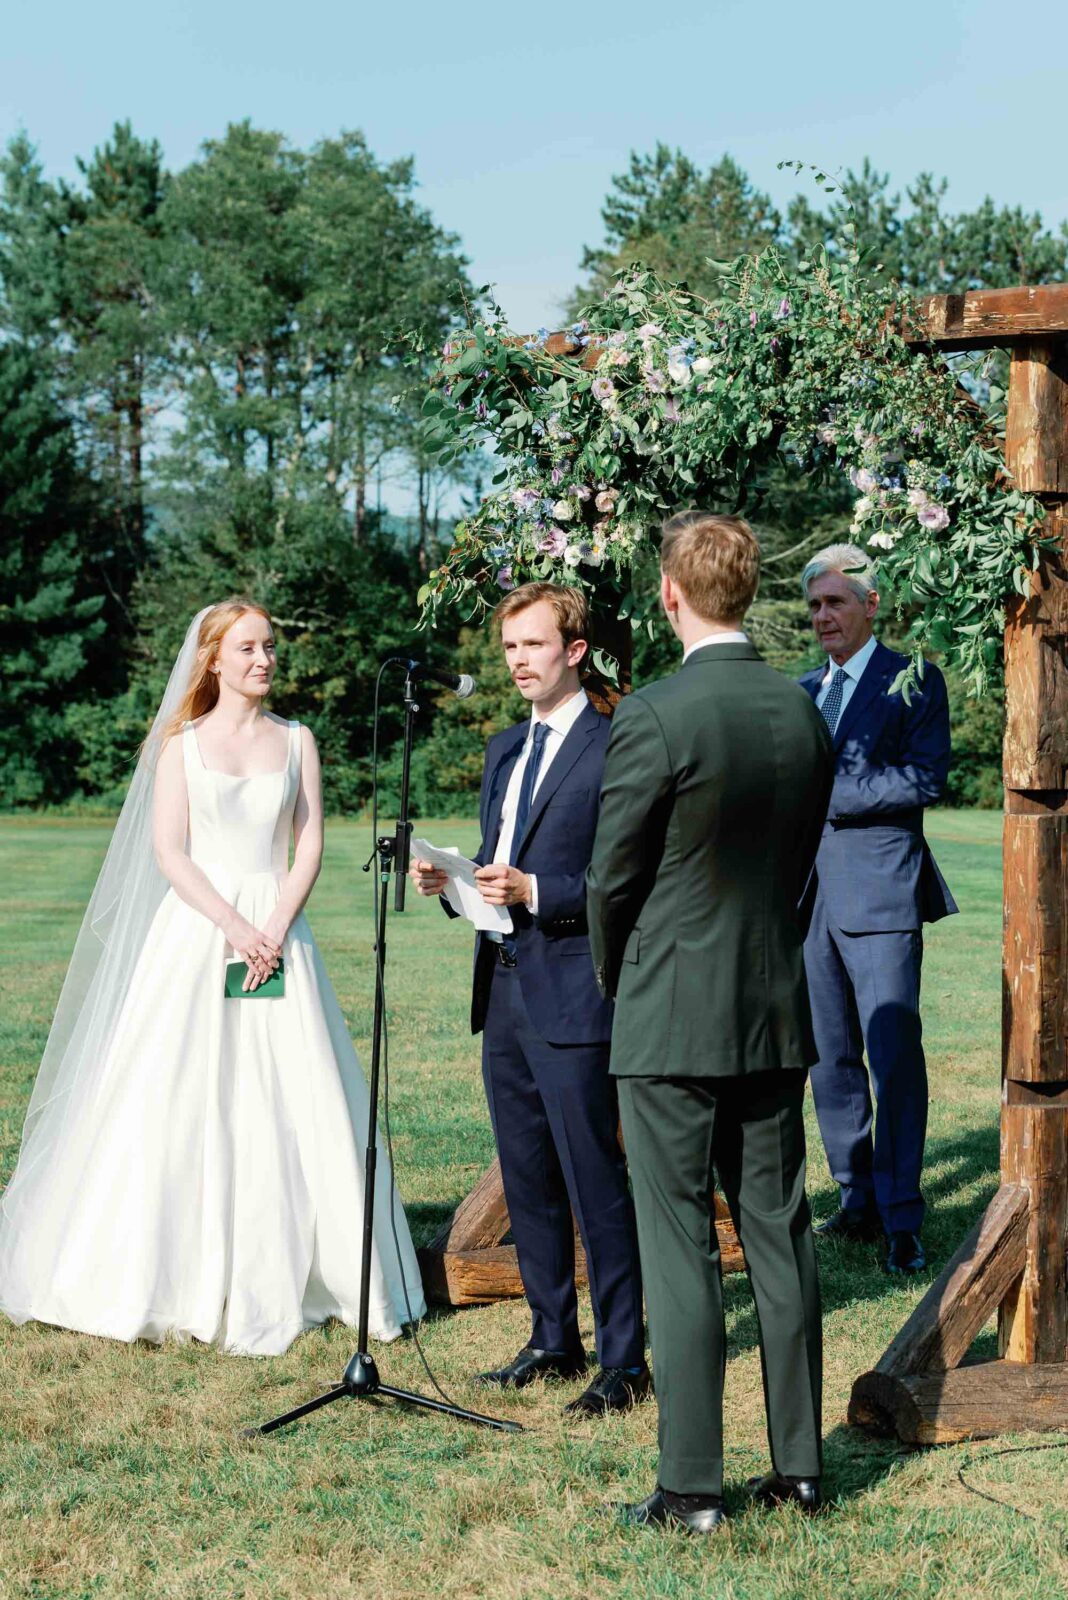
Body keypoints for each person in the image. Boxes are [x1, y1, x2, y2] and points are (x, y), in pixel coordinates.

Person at [0, 599, 426, 1355]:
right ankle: (160, 1269)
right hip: (200, 931)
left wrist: (275, 925)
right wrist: (233, 928)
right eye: (250, 648)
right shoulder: (180, 747)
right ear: (214, 660)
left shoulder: (298, 741)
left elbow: (310, 841)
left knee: (293, 1090)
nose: (265, 659)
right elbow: (172, 852)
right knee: (172, 1089)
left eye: (270, 647)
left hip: (279, 928)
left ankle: (312, 1268)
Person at [587, 512, 833, 1533]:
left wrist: (618, 984)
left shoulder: (653, 713)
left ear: (671, 595)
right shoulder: (802, 712)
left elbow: (611, 880)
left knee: (680, 1238)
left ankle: (691, 1487)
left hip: (672, 1014)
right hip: (773, 1006)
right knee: (779, 1233)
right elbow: (801, 867)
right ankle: (803, 1470)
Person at [410, 582, 646, 1416]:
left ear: (574, 651)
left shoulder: (615, 744)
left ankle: (626, 1360)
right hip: (504, 988)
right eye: (509, 647)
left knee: (594, 1176)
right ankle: (553, 1338)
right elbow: (492, 862)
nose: (518, 661)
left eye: (534, 646)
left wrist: (537, 889)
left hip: (578, 990)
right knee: (527, 1173)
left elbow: (627, 876)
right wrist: (450, 881)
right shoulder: (504, 748)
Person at [798, 544, 957, 1276]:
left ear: (872, 604)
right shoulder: (799, 692)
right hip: (804, 905)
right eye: (814, 606)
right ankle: (855, 1197)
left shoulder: (912, 681)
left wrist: (820, 796)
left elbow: (924, 779)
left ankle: (901, 1218)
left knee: (893, 1061)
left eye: (835, 602)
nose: (822, 616)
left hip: (882, 895)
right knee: (829, 1059)